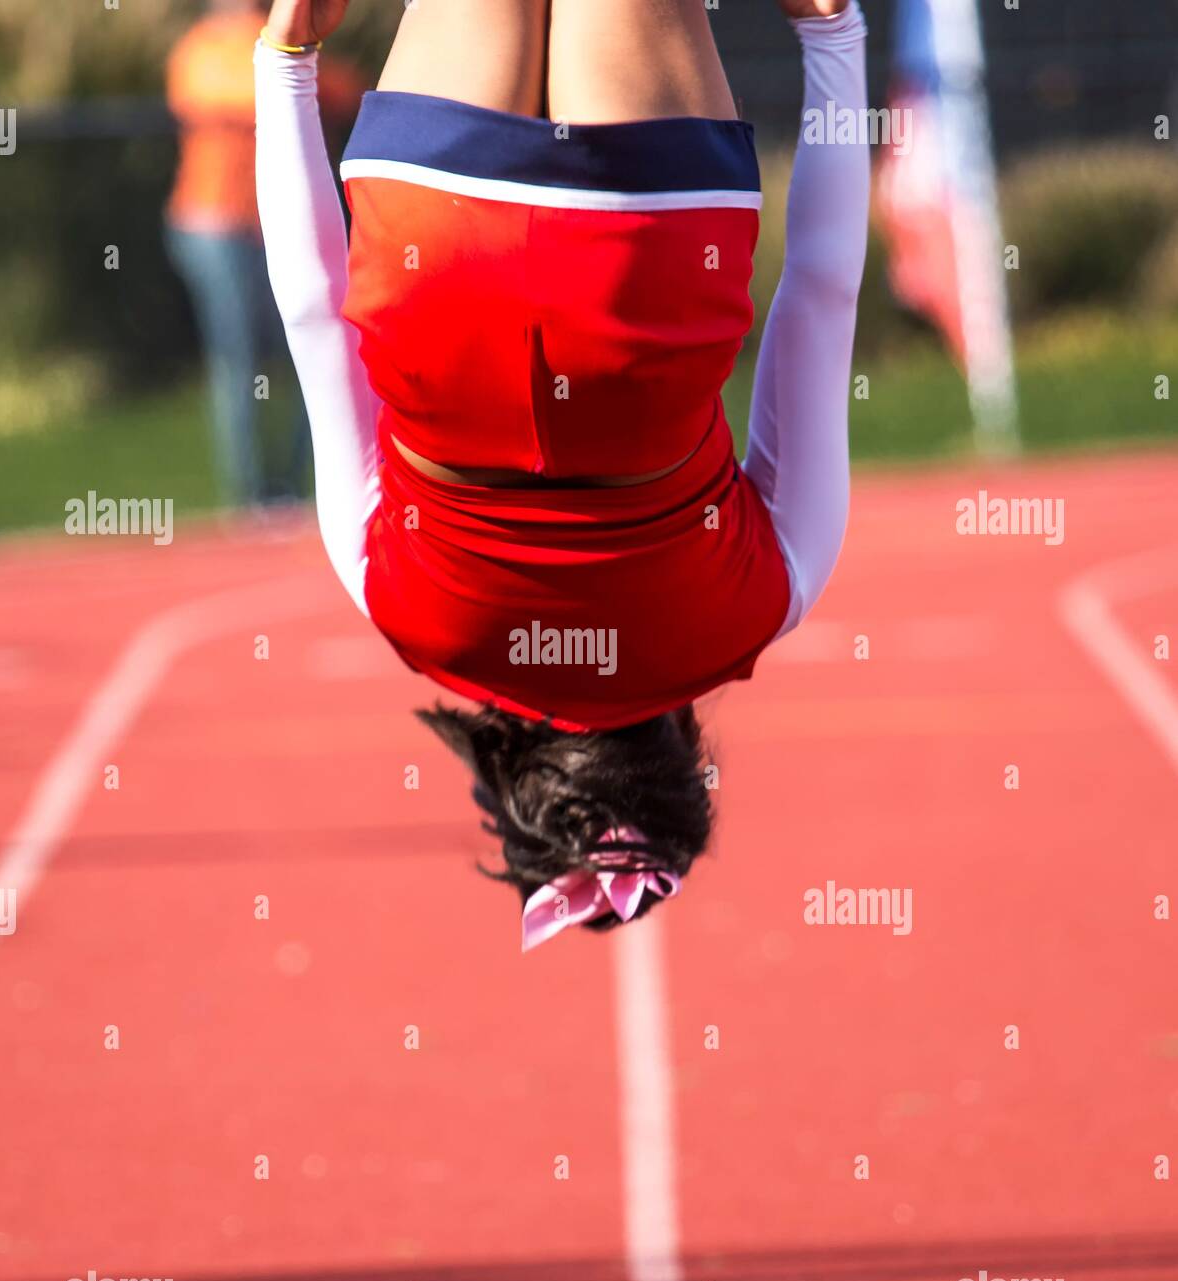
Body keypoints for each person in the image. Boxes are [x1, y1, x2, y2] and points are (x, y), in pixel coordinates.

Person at [255, 0, 869, 948]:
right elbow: (310, 312)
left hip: (648, 235)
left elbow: (822, 295)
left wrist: (832, 38)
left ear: (680, 763)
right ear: (507, 783)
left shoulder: (763, 602)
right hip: (439, 224)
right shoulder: (398, 607)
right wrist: (287, 63)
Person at [165, 0, 362, 504]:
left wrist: (283, 55)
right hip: (213, 227)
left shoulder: (274, 32)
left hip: (274, 227)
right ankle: (250, 495)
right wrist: (281, 58)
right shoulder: (201, 46)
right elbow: (244, 94)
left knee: (314, 351)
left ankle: (292, 490)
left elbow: (343, 88)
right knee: (238, 357)